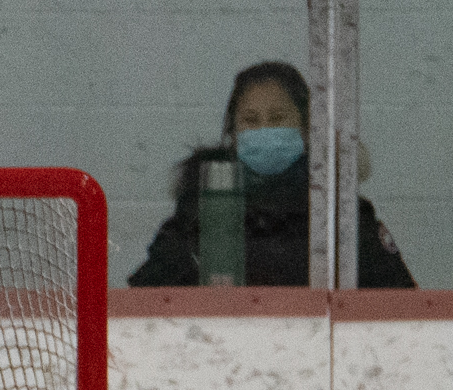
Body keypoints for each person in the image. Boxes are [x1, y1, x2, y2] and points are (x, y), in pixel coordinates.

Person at [129, 61, 415, 288]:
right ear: (234, 136)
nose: (264, 130)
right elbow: (146, 303)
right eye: (251, 121)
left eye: (278, 118)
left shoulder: (340, 212)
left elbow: (399, 305)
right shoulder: (200, 210)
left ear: (306, 129)